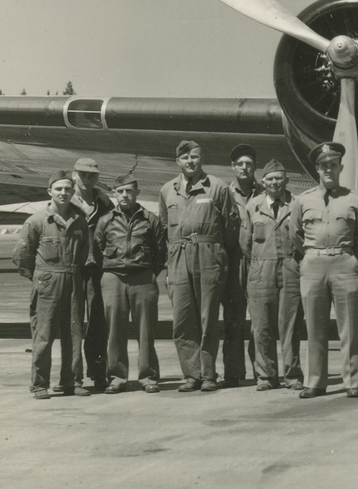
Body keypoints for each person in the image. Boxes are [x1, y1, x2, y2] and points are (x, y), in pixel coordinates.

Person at [292, 142, 358, 398]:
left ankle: (352, 381)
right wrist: (312, 254)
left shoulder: (354, 199)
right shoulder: (303, 200)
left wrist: (346, 255)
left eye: (333, 165)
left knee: (350, 327)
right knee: (314, 326)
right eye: (324, 166)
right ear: (317, 169)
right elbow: (296, 233)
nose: (329, 170)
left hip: (343, 262)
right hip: (313, 263)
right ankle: (315, 381)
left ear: (340, 168)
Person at [160, 140, 241, 392]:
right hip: (178, 255)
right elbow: (164, 225)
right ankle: (191, 375)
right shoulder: (167, 190)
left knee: (208, 317)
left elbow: (231, 226)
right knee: (183, 317)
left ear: (201, 159)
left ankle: (208, 375)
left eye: (194, 156)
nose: (190, 161)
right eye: (185, 158)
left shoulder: (217, 187)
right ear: (177, 161)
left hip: (209, 255)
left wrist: (216, 253)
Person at [15, 171, 91, 398]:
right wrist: (39, 277)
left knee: (74, 333)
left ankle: (72, 381)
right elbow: (22, 255)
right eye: (58, 189)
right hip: (47, 282)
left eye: (67, 189)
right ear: (50, 192)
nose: (63, 193)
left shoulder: (79, 221)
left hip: (73, 280)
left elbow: (84, 251)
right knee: (44, 334)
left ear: (73, 191)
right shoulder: (36, 221)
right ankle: (40, 384)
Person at [89, 174, 167, 394]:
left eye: (129, 191)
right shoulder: (106, 220)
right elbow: (97, 250)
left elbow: (160, 251)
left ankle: (148, 376)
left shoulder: (150, 219)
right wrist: (111, 269)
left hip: (143, 277)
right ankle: (117, 377)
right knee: (115, 329)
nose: (125, 195)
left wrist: (147, 272)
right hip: (113, 278)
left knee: (146, 329)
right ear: (114, 193)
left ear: (137, 193)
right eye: (120, 191)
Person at [241, 159, 303, 390]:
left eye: (279, 178)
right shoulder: (253, 206)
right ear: (263, 181)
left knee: (291, 325)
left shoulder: (297, 204)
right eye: (270, 179)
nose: (275, 182)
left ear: (287, 180)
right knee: (261, 326)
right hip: (261, 270)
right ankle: (266, 376)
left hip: (290, 269)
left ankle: (292, 375)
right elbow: (245, 244)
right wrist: (261, 262)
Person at [70, 158, 113, 393]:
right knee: (73, 324)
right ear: (74, 175)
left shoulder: (104, 203)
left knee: (98, 323)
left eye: (92, 175)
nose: (87, 179)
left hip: (97, 270)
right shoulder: (65, 200)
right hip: (73, 270)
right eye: (83, 174)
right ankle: (72, 378)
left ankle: (98, 373)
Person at [222, 143, 261, 387]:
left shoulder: (265, 192)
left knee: (260, 319)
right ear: (233, 167)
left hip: (258, 261)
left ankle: (263, 372)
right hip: (234, 262)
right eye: (240, 164)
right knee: (233, 318)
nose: (244, 167)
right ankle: (233, 372)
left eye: (249, 163)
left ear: (255, 166)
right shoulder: (224, 194)